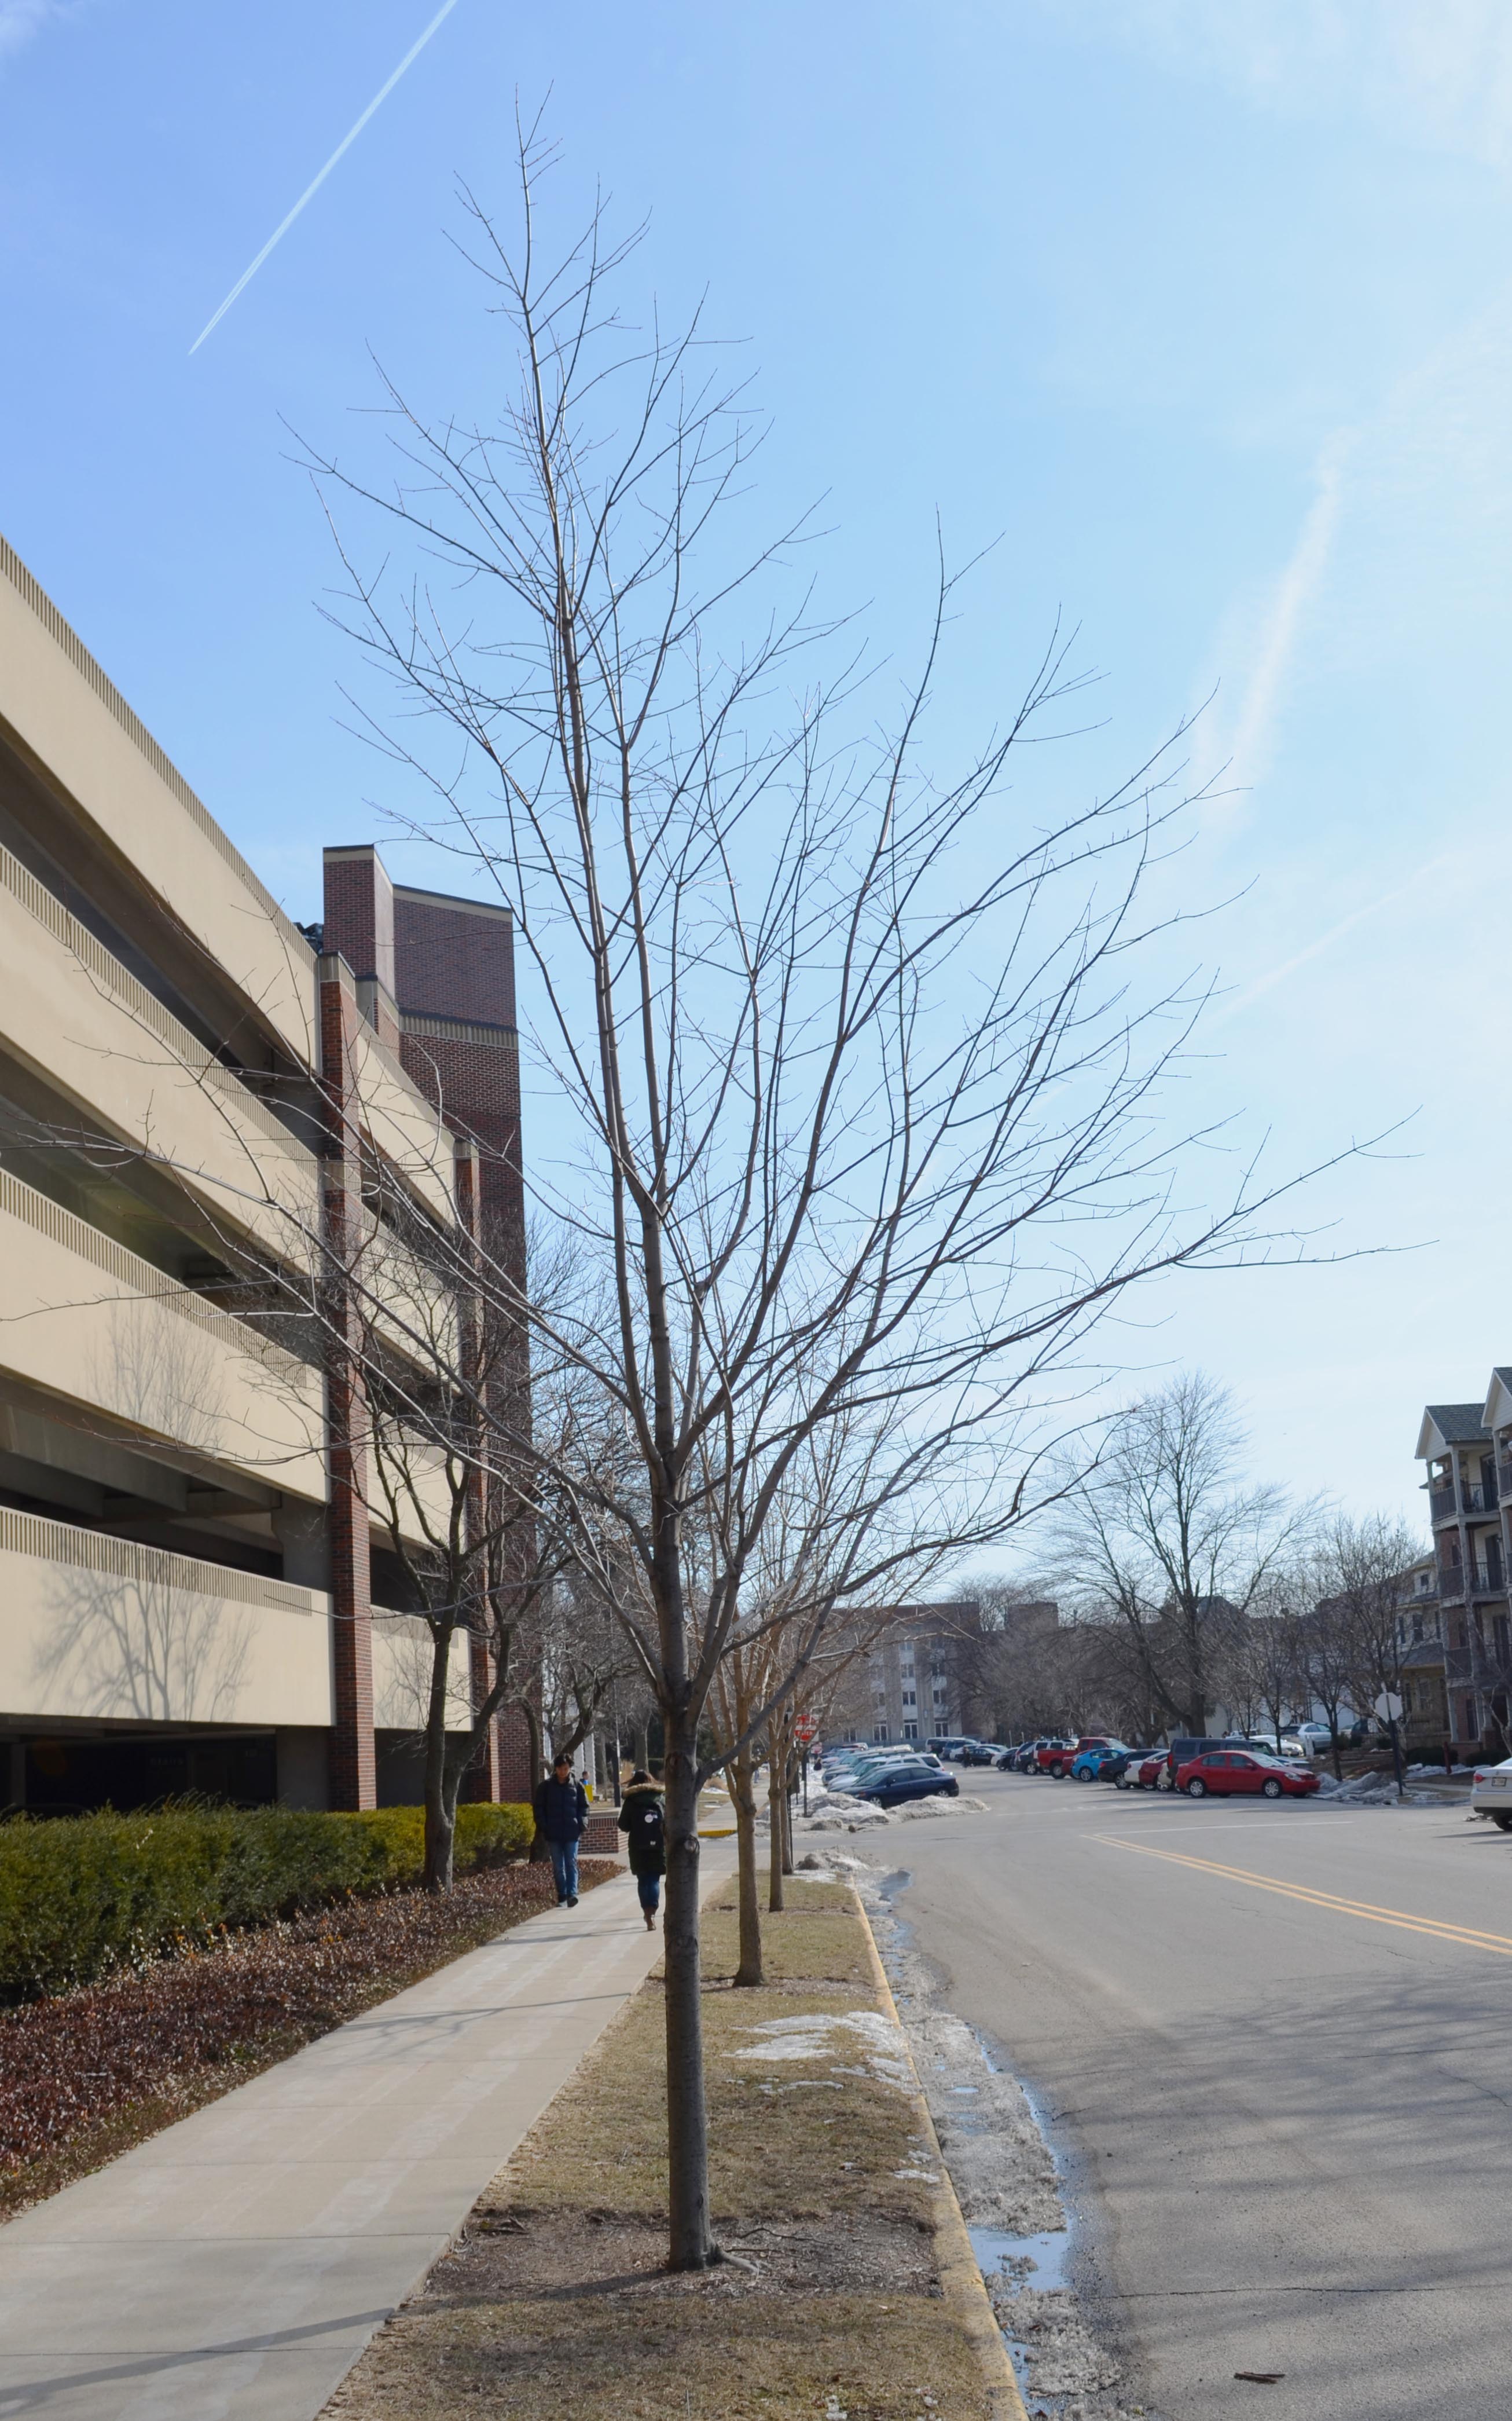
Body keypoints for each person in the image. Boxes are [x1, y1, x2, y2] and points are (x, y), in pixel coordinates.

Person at [533, 1752, 590, 1906]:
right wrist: (544, 1826)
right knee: (558, 1866)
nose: (563, 1772)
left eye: (565, 1768)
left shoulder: (577, 1786)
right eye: (560, 1768)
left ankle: (573, 1894)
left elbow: (584, 1807)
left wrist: (582, 1823)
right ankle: (562, 1894)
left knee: (571, 1863)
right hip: (554, 1832)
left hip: (572, 1831)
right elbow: (539, 1808)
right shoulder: (546, 1787)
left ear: (569, 1768)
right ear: (556, 1769)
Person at [616, 1766, 666, 1930]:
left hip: (638, 1847)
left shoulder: (631, 1800)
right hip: (658, 1845)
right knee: (654, 1879)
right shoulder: (660, 1798)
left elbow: (623, 1825)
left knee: (643, 1880)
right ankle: (653, 1912)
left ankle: (647, 1913)